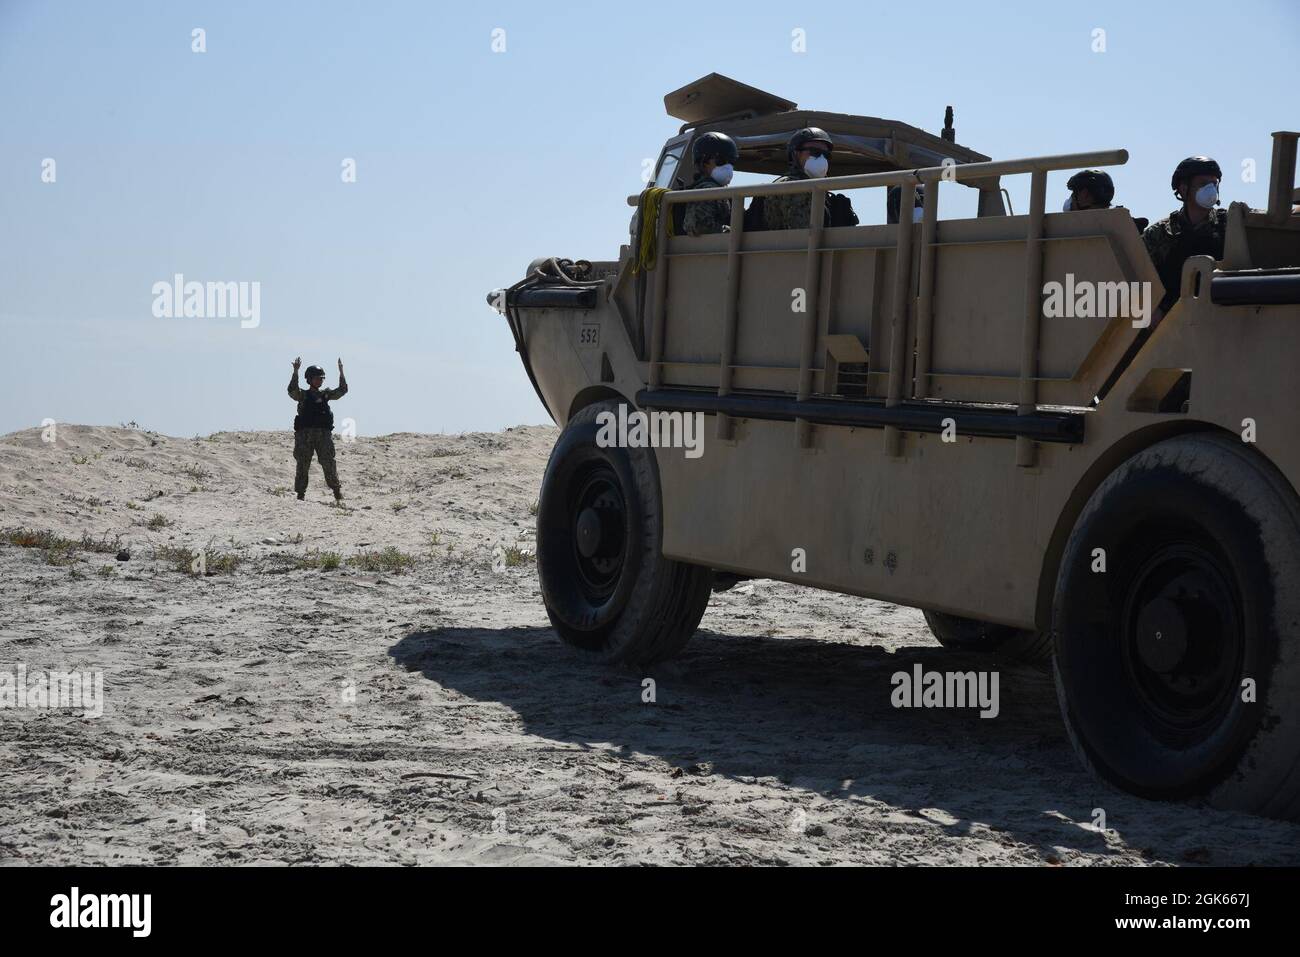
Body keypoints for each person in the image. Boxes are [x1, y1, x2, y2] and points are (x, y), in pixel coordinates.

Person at [1143, 156, 1227, 317]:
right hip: (1169, 325)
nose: (1211, 189)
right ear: (1183, 188)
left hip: (1218, 320)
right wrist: (1151, 311)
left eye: (1214, 183)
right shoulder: (1160, 232)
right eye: (1203, 183)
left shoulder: (1228, 227)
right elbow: (1136, 276)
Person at [753, 127, 857, 230]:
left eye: (826, 155)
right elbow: (803, 232)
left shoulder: (823, 193)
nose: (821, 158)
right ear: (795, 154)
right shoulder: (787, 186)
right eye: (814, 152)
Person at [288, 357, 348, 501]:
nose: (319, 381)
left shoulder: (325, 395)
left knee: (328, 463)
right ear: (309, 380)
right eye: (316, 378)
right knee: (303, 464)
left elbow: (342, 390)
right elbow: (292, 391)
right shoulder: (303, 395)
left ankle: (336, 492)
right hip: (305, 435)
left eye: (321, 378)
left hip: (323, 435)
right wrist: (295, 371)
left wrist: (341, 371)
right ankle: (300, 494)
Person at [680, 132, 738, 237]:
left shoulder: (722, 192)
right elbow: (698, 225)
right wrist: (731, 232)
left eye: (731, 162)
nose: (728, 166)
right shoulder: (706, 190)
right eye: (721, 161)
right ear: (704, 162)